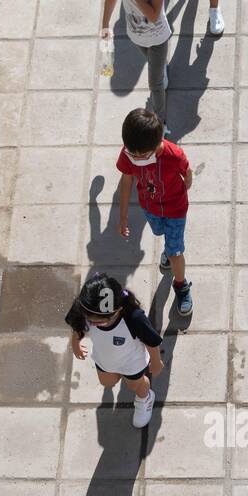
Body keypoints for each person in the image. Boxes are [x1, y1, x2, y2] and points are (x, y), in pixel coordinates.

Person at [117, 107, 194, 315]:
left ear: (155, 145)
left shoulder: (174, 155)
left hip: (175, 209)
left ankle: (181, 285)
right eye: (131, 152)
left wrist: (186, 186)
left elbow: (187, 173)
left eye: (139, 155)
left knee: (175, 251)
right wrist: (123, 216)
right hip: (150, 207)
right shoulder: (130, 153)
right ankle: (168, 254)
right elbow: (126, 180)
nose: (134, 157)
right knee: (159, 233)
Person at [67, 272, 164, 428]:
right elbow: (77, 328)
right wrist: (75, 343)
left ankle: (145, 398)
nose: (92, 324)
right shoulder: (83, 309)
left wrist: (156, 361)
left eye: (99, 322)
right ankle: (124, 379)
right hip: (104, 359)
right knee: (107, 382)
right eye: (90, 319)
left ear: (118, 310)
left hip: (132, 362)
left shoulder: (134, 318)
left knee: (135, 385)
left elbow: (152, 342)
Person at [101, 0, 171, 121]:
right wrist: (105, 25)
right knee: (153, 63)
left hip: (158, 40)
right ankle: (159, 67)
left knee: (155, 84)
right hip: (136, 36)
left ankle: (160, 123)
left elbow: (154, 17)